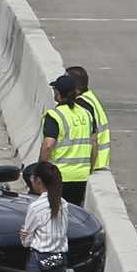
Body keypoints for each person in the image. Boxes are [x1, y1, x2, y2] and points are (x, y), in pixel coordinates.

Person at [41, 74, 97, 207]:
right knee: (75, 213)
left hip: (60, 176)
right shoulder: (86, 114)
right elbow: (94, 144)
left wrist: (41, 168)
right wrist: (90, 168)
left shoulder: (55, 115)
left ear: (58, 94)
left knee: (56, 212)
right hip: (81, 177)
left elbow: (48, 146)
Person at [21, 162, 70, 272]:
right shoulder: (63, 203)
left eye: (32, 178)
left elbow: (26, 242)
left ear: (39, 181)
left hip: (39, 261)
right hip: (60, 260)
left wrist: (23, 235)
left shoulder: (35, 207)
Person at [68, 65, 110, 171]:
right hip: (99, 160)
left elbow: (92, 139)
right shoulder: (90, 97)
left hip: (92, 162)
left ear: (74, 87)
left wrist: (89, 168)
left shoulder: (81, 104)